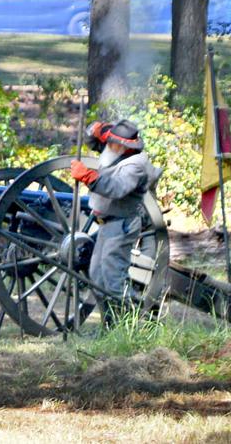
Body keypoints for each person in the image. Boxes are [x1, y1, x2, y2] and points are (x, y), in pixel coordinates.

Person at [69, 119, 162, 320]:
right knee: (97, 277)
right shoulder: (116, 150)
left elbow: (116, 187)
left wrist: (88, 177)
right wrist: (94, 130)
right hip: (106, 225)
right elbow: (95, 142)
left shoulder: (137, 165)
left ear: (126, 146)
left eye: (113, 143)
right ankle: (109, 323)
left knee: (113, 281)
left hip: (122, 226)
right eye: (109, 142)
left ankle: (128, 323)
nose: (108, 146)